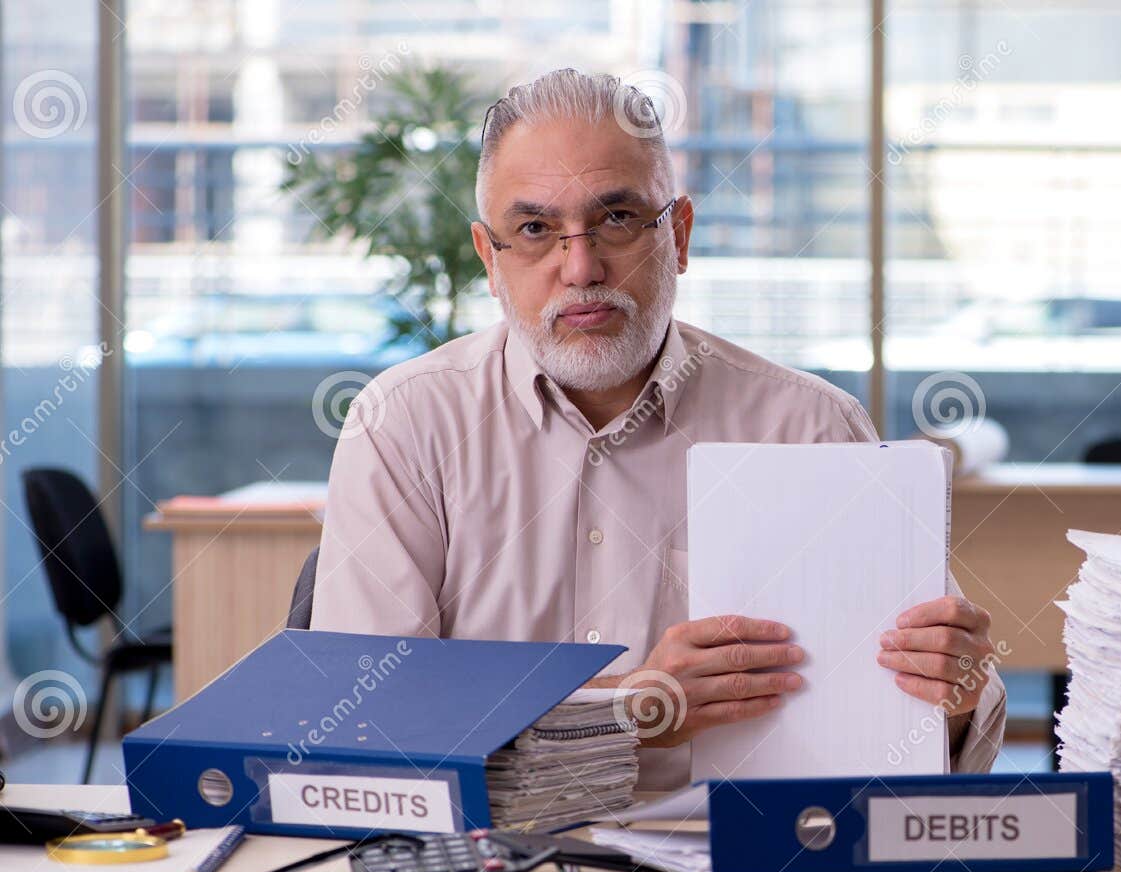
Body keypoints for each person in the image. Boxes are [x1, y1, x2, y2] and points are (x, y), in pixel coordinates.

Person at [311, 69, 1005, 788]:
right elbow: (368, 734)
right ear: (491, 259)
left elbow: (920, 732)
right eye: (535, 229)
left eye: (615, 219)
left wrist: (947, 697)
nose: (580, 268)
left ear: (678, 235)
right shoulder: (405, 424)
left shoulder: (810, 425)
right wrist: (633, 711)